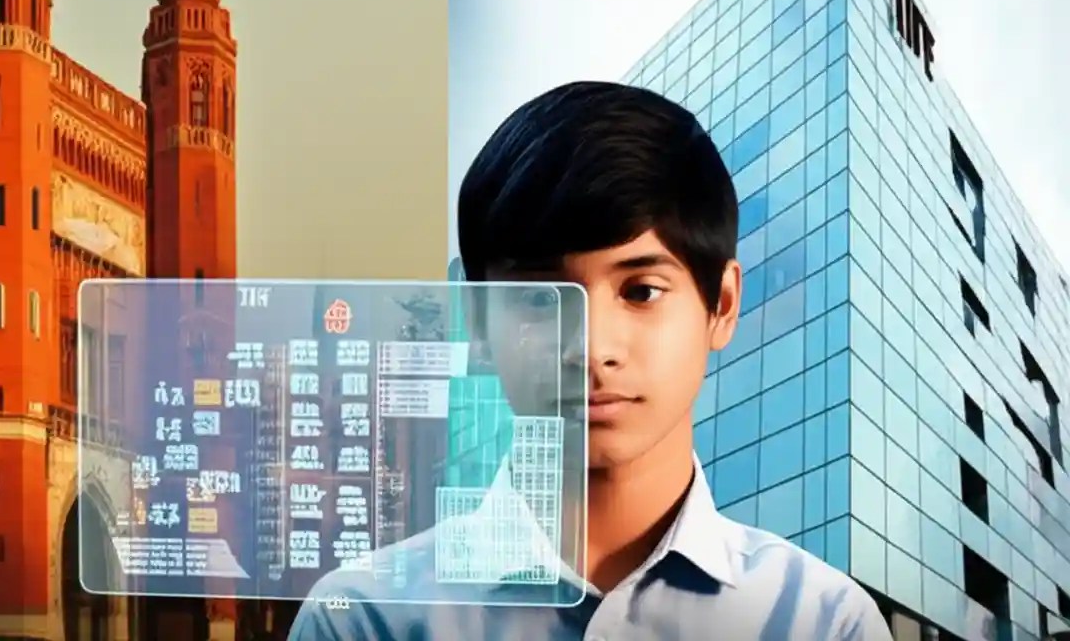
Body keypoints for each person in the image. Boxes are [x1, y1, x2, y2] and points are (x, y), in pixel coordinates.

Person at [288, 81, 893, 640]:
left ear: (723, 305)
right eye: (538, 298)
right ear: (475, 319)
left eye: (641, 291)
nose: (592, 348)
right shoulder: (366, 619)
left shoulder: (824, 622)